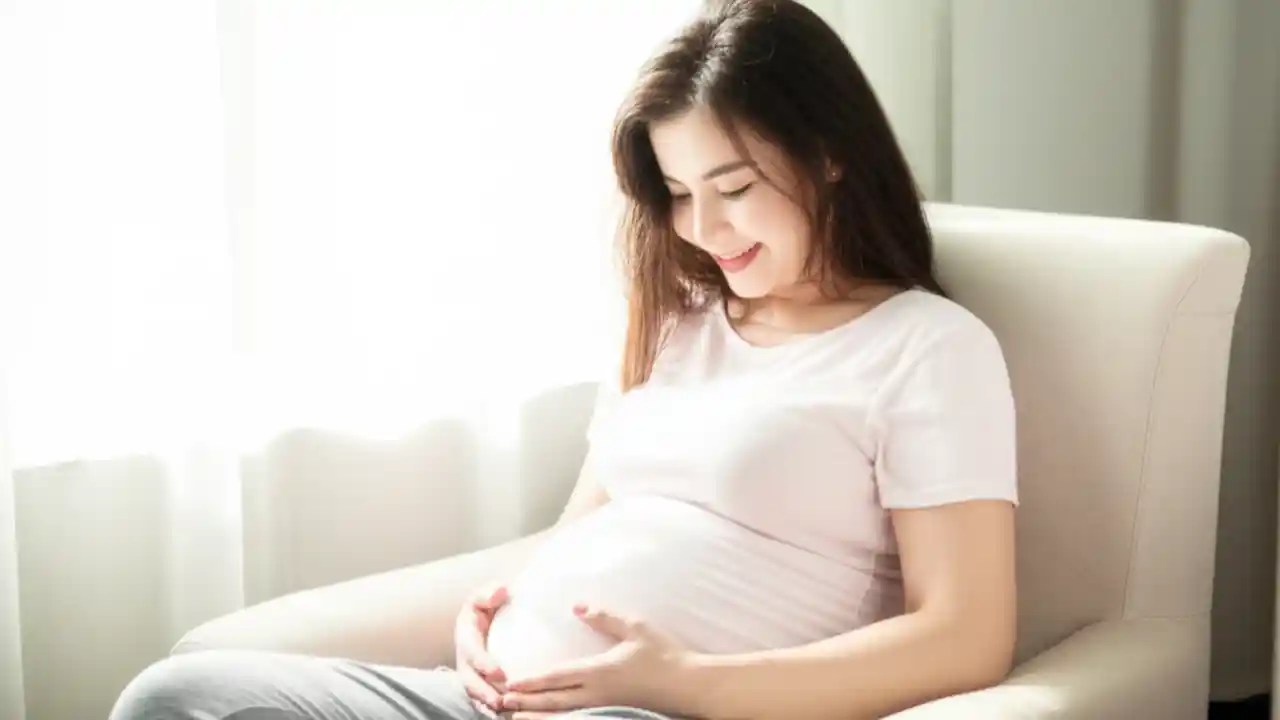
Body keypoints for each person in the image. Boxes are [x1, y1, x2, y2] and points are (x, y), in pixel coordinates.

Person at [110, 0, 1017, 718]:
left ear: (827, 156)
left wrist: (689, 683)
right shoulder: (674, 321)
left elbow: (966, 634)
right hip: (487, 696)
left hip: (668, 714)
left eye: (733, 188)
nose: (702, 229)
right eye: (677, 194)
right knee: (176, 699)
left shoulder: (926, 349)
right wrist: (497, 610)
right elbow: (578, 532)